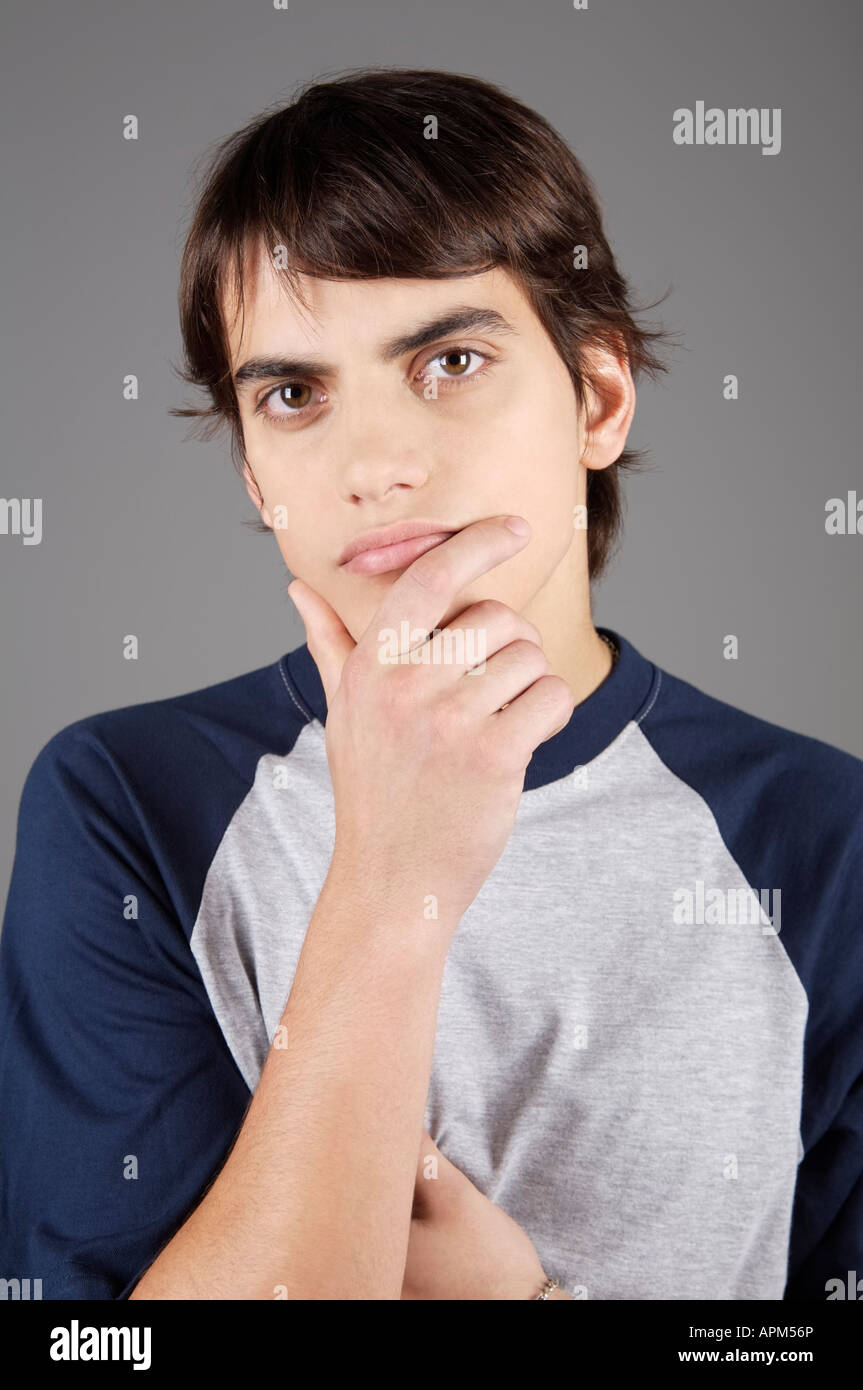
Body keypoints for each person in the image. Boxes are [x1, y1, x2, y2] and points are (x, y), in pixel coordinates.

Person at [1, 67, 860, 1301]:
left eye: (449, 360)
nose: (376, 463)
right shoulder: (122, 804)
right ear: (254, 474)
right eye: (293, 396)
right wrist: (389, 883)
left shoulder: (823, 836)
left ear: (598, 398)